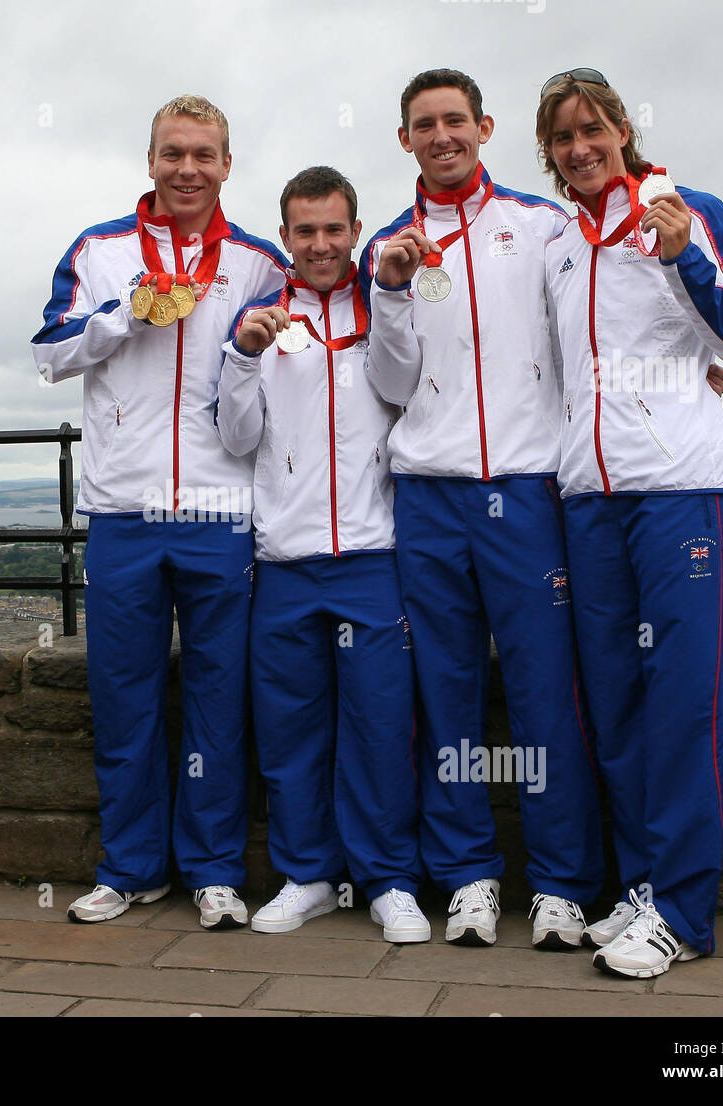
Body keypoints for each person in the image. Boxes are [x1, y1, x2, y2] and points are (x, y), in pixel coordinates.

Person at [362, 69, 604, 950]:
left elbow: (589, 329)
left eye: (455, 120)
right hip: (426, 494)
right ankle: (466, 875)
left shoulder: (542, 227)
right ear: (405, 140)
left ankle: (563, 885)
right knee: (446, 692)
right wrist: (389, 292)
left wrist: (692, 362)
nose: (441, 136)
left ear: (484, 126)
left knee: (547, 692)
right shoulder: (389, 246)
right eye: (423, 124)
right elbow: (388, 385)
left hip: (527, 491)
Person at [32, 96, 287, 928]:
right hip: (124, 509)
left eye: (205, 155)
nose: (188, 169)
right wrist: (122, 315)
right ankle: (131, 867)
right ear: (150, 160)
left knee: (220, 701)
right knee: (126, 700)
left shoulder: (256, 262)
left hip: (223, 510)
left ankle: (213, 871)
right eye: (174, 153)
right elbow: (48, 356)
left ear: (227, 165)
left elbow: (301, 363)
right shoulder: (99, 250)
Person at [535, 69, 723, 977]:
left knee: (683, 706)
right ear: (549, 153)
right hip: (590, 497)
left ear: (623, 128)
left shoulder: (685, 208)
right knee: (618, 706)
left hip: (681, 493)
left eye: (593, 129)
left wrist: (684, 260)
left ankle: (684, 911)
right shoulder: (560, 240)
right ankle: (643, 884)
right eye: (563, 138)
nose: (582, 148)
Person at [217, 166, 426, 942]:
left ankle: (389, 881)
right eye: (305, 231)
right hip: (284, 560)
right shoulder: (257, 321)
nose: (321, 245)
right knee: (289, 732)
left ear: (355, 231)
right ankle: (305, 874)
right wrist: (241, 357)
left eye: (335, 230)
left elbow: (404, 388)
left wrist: (395, 303)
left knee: (380, 729)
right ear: (285, 238)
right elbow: (236, 438)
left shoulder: (381, 305)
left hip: (373, 555)